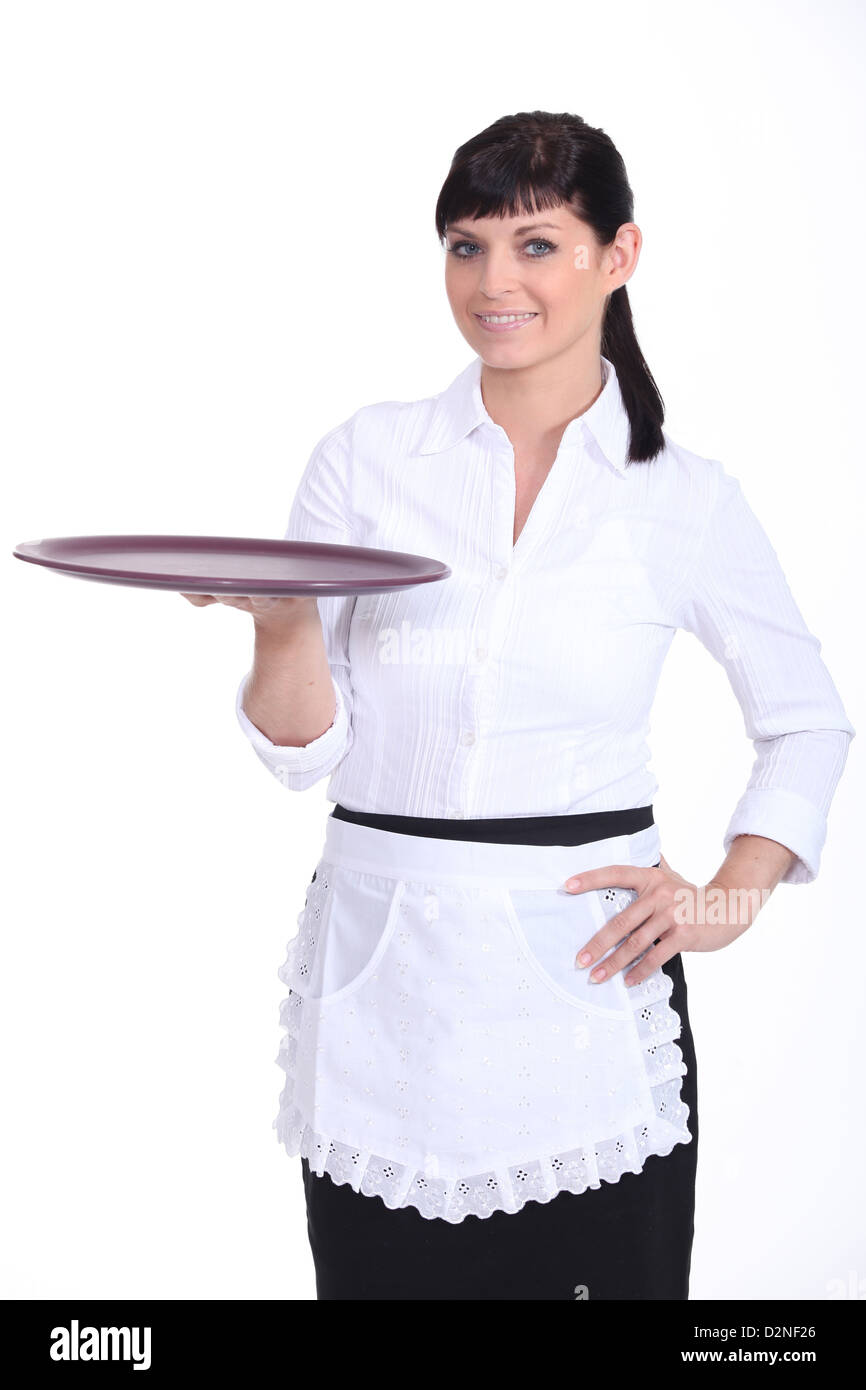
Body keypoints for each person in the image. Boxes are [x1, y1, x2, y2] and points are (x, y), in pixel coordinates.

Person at [182, 110, 855, 1300]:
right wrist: (280, 618)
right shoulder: (369, 457)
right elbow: (303, 753)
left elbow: (804, 716)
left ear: (618, 254)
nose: (493, 282)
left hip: (583, 984)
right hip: (382, 980)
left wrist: (723, 902)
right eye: (465, 245)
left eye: (536, 244)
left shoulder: (680, 498)